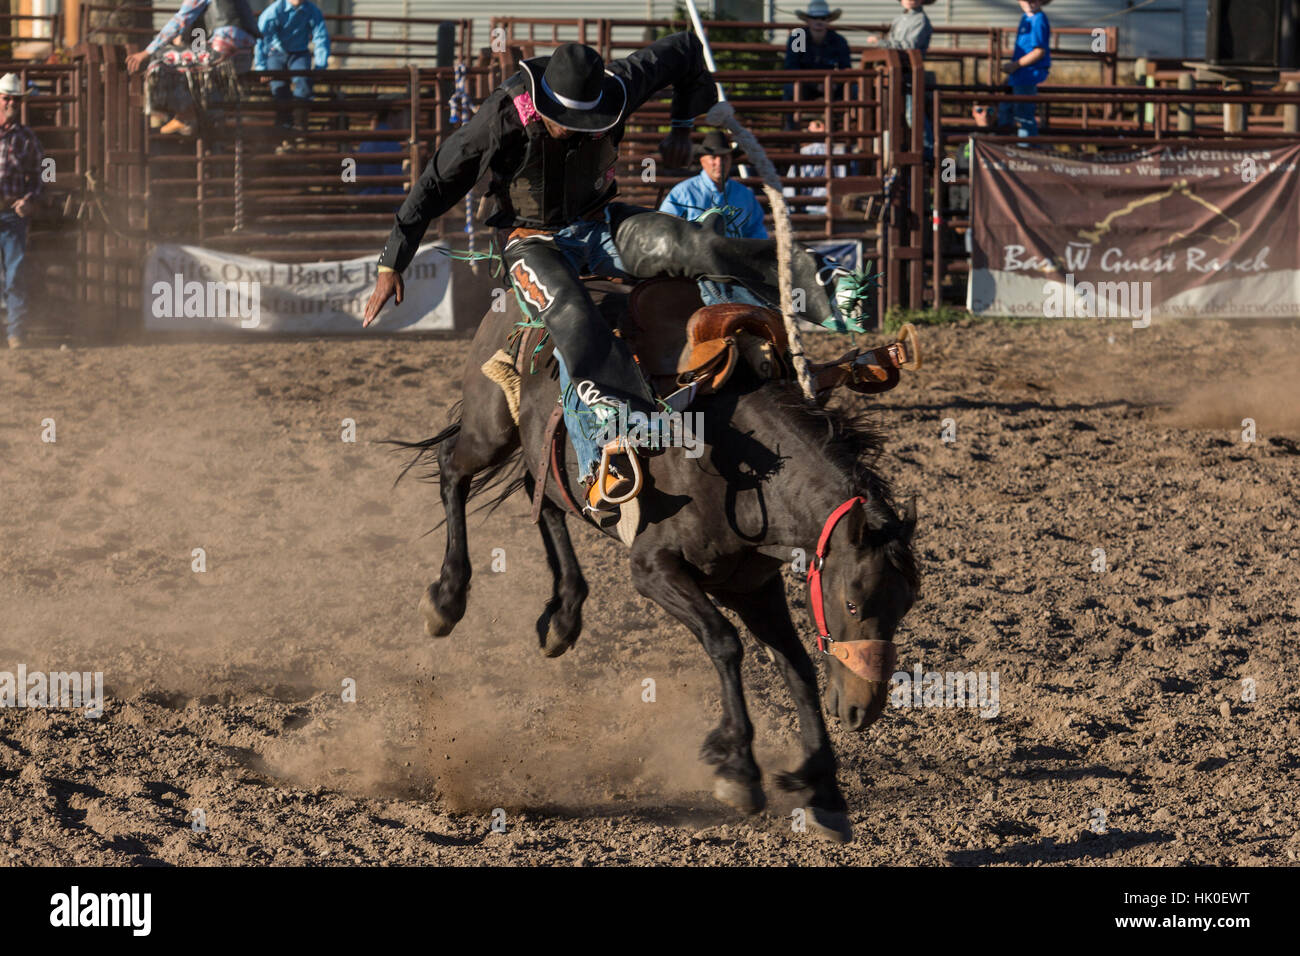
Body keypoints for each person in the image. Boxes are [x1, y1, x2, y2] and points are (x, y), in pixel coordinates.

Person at [361, 35, 856, 509]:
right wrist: (392, 261)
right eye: (565, 121)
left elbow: (685, 49)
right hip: (529, 240)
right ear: (543, 104)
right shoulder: (499, 121)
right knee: (574, 314)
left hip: (601, 222)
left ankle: (825, 290)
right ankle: (612, 433)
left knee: (693, 242)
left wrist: (681, 127)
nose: (578, 129)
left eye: (589, 120)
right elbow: (434, 183)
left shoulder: (617, 84)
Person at [124, 0, 259, 136]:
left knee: (161, 58)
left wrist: (146, 52)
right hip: (244, 58)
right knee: (195, 67)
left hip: (223, 53)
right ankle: (200, 118)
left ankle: (183, 115)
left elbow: (181, 20)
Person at [0, 74, 42, 350]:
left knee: (14, 274)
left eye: (15, 98)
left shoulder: (27, 137)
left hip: (12, 212)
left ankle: (16, 332)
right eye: (7, 97)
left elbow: (47, 169)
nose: (11, 102)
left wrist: (30, 198)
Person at [867, 0, 935, 158]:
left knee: (912, 113)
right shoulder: (899, 19)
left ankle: (927, 150)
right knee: (894, 112)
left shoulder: (921, 20)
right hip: (895, 70)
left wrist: (882, 43)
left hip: (910, 71)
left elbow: (909, 45)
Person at [255, 0, 330, 141]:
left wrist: (321, 65)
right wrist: (262, 68)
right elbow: (262, 39)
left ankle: (299, 124)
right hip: (276, 52)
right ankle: (283, 125)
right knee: (278, 85)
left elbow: (321, 37)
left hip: (299, 53)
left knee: (303, 81)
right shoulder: (274, 11)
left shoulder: (312, 10)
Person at [782, 1, 851, 124]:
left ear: (828, 20)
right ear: (808, 20)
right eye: (814, 18)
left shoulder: (838, 40)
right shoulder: (799, 38)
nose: (819, 21)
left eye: (823, 18)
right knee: (790, 88)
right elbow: (792, 67)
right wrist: (814, 83)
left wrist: (835, 83)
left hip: (832, 85)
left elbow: (845, 67)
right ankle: (791, 128)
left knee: (854, 90)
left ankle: (850, 128)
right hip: (804, 85)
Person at [998, 0, 1051, 138]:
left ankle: (1026, 150)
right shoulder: (1026, 18)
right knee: (1007, 111)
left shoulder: (1038, 20)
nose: (1030, 2)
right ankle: (1008, 148)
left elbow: (1039, 52)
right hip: (1020, 74)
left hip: (1028, 74)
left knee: (1024, 118)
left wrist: (1014, 66)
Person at [782, 117, 848, 218]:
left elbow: (791, 189)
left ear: (821, 127)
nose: (808, 130)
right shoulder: (844, 152)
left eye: (810, 126)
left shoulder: (807, 152)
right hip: (840, 211)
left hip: (811, 211)